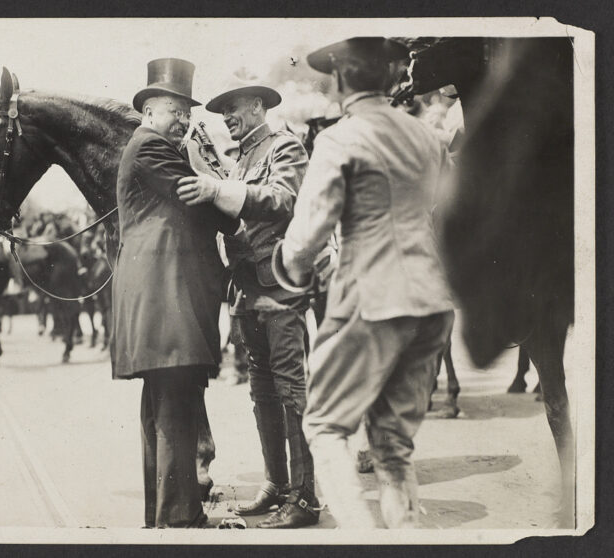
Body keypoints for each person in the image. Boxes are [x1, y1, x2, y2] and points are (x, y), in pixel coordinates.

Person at [272, 37, 455, 528]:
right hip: (432, 300)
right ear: (391, 77)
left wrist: (289, 268)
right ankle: (404, 534)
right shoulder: (428, 138)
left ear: (340, 78)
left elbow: (306, 237)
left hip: (372, 295)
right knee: (392, 446)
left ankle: (361, 538)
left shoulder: (339, 140)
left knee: (325, 426)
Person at [176, 75, 319, 528]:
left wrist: (217, 189)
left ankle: (305, 499)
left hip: (279, 288)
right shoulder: (238, 161)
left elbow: (283, 200)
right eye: (222, 112)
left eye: (233, 108)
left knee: (290, 389)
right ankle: (276, 485)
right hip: (246, 288)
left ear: (258, 105)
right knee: (262, 391)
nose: (227, 118)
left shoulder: (284, 147)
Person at [111, 58, 240, 528]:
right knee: (176, 409)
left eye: (187, 113)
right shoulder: (152, 146)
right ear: (148, 112)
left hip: (161, 301)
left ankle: (163, 517)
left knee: (164, 410)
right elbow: (205, 204)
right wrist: (233, 207)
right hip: (166, 301)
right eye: (174, 111)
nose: (183, 121)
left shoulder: (149, 146)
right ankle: (181, 521)